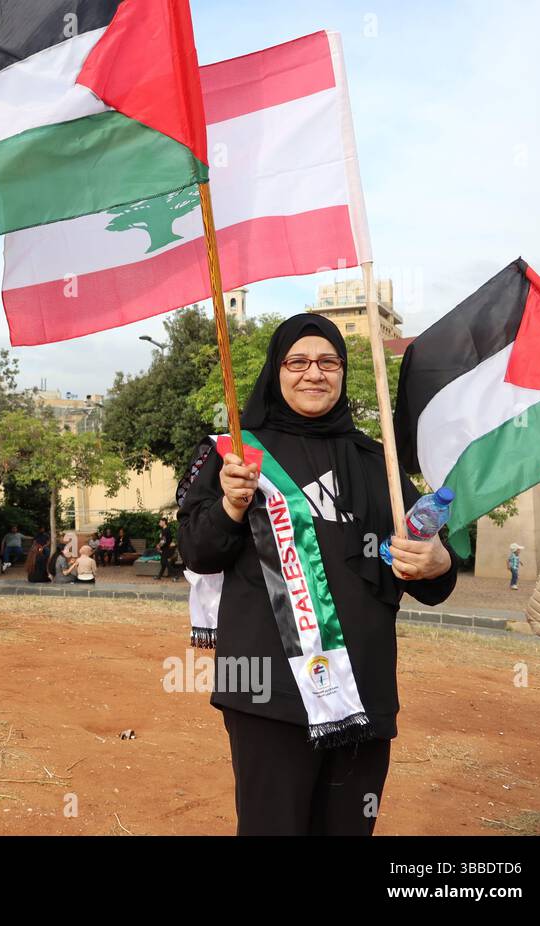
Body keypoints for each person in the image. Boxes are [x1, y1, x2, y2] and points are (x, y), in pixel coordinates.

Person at [176, 313, 458, 836]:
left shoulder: (380, 464)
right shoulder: (236, 455)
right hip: (267, 694)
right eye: (297, 362)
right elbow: (197, 551)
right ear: (276, 371)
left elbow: (432, 571)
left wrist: (439, 562)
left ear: (344, 373)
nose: (314, 373)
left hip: (364, 694)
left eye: (329, 362)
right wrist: (231, 506)